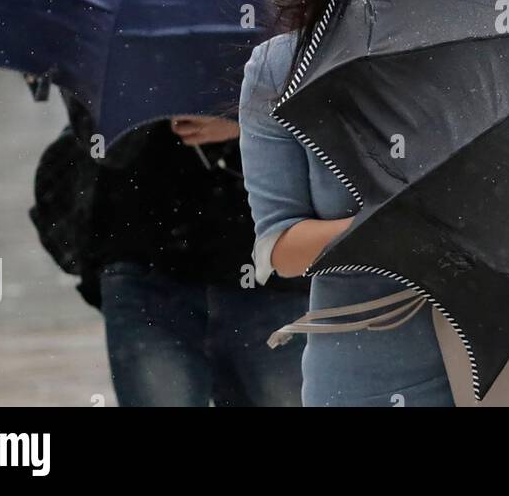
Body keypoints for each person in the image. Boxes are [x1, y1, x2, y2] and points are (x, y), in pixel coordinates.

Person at [237, 0, 453, 407]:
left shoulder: (476, 62)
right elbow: (281, 249)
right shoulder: (280, 71)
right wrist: (396, 226)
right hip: (361, 377)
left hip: (491, 362)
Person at [31, 89, 309, 407]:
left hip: (271, 266)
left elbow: (342, 113)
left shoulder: (298, 46)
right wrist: (155, 98)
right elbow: (103, 141)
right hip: (144, 261)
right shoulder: (112, 43)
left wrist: (247, 119)